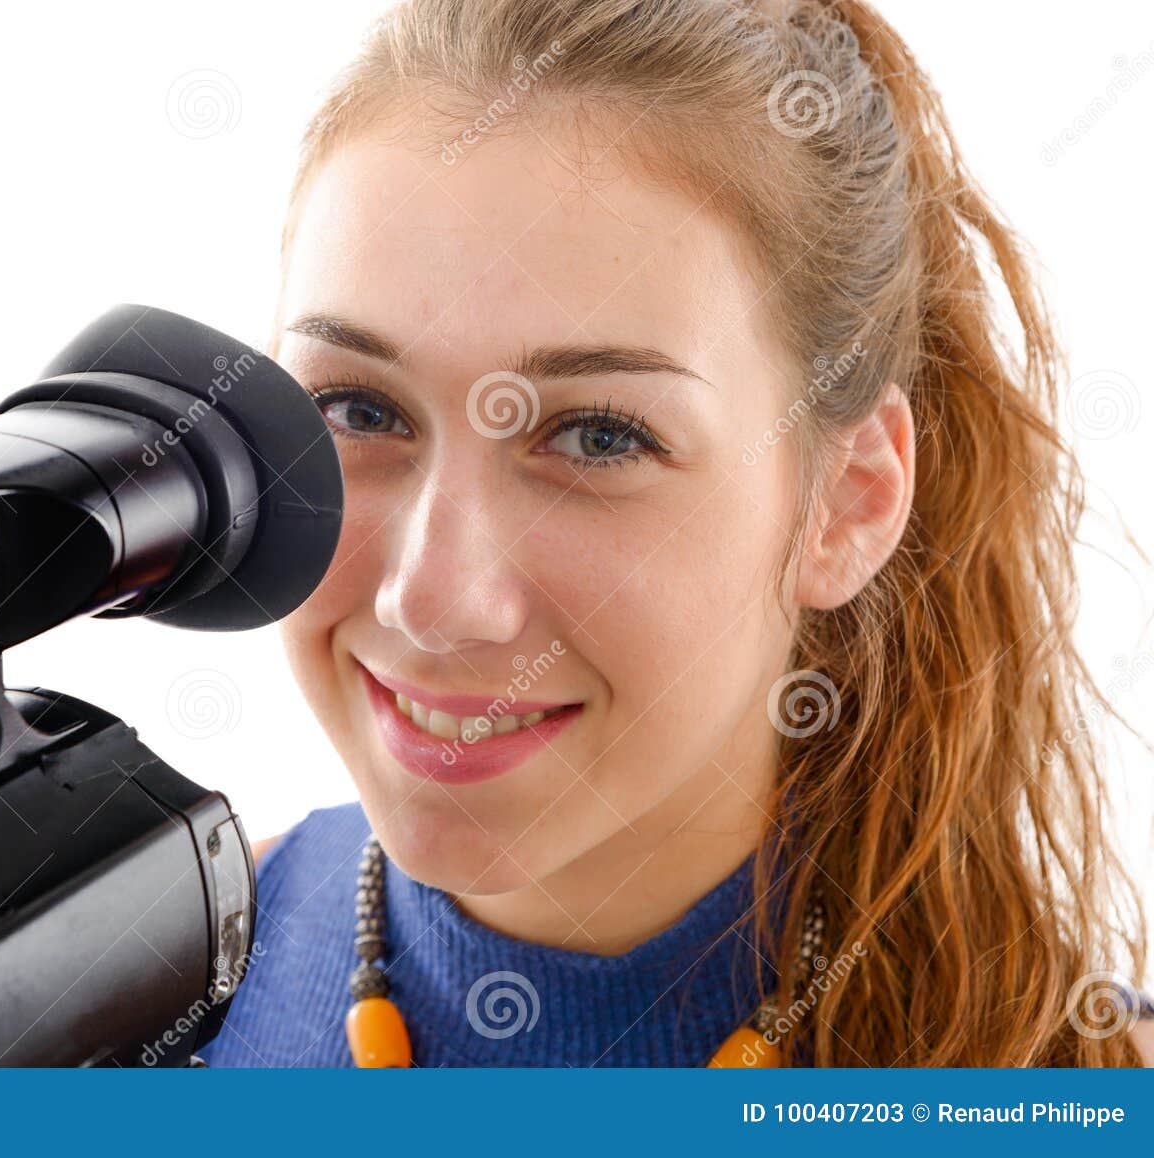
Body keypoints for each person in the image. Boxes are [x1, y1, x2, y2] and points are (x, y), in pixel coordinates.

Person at [198, 0, 1154, 1067]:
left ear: (848, 501)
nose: (429, 597)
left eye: (598, 437)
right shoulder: (150, 1003)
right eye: (357, 411)